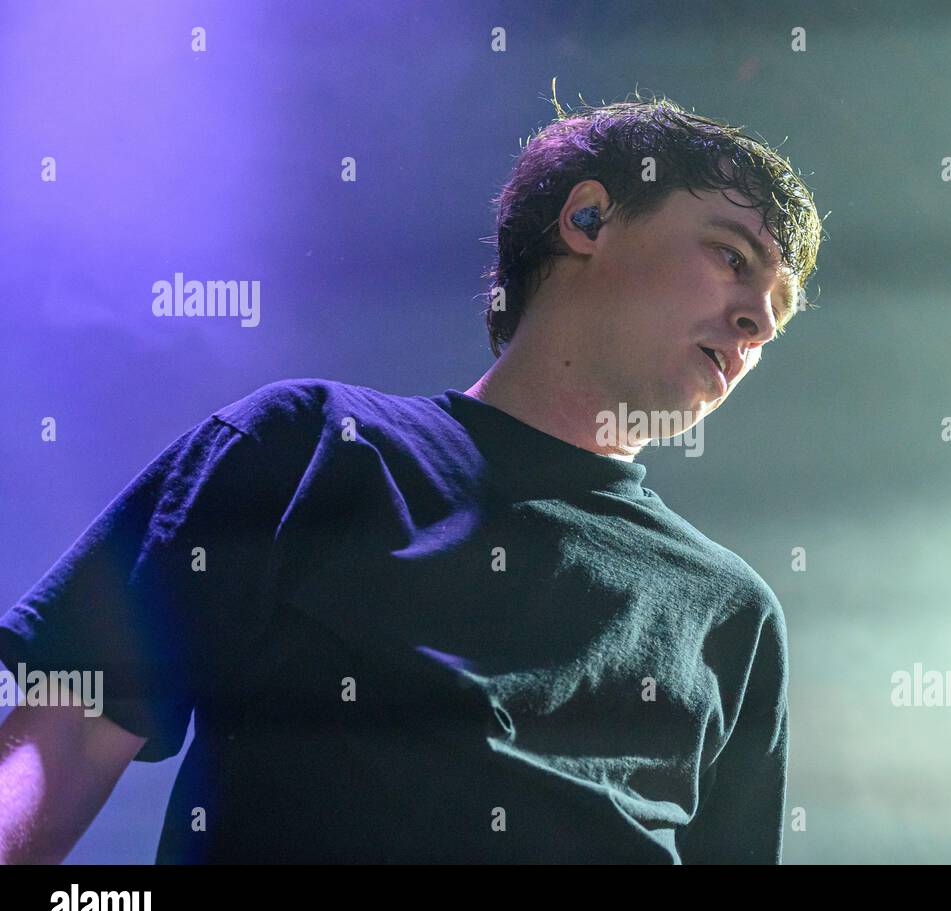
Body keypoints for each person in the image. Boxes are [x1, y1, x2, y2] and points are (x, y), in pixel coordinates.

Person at [0, 91, 824, 864]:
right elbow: (68, 733)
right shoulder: (311, 446)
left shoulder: (735, 616)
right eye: (731, 256)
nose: (757, 322)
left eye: (779, 312)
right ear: (587, 218)